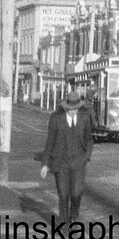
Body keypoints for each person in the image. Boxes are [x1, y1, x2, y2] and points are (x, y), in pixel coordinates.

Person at [39, 91, 94, 223]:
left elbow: (89, 140)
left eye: (75, 109)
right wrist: (45, 164)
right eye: (70, 109)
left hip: (78, 162)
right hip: (61, 162)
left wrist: (86, 157)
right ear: (66, 107)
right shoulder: (56, 119)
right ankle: (64, 225)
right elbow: (50, 142)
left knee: (76, 193)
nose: (73, 111)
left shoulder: (84, 119)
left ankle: (74, 216)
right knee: (63, 194)